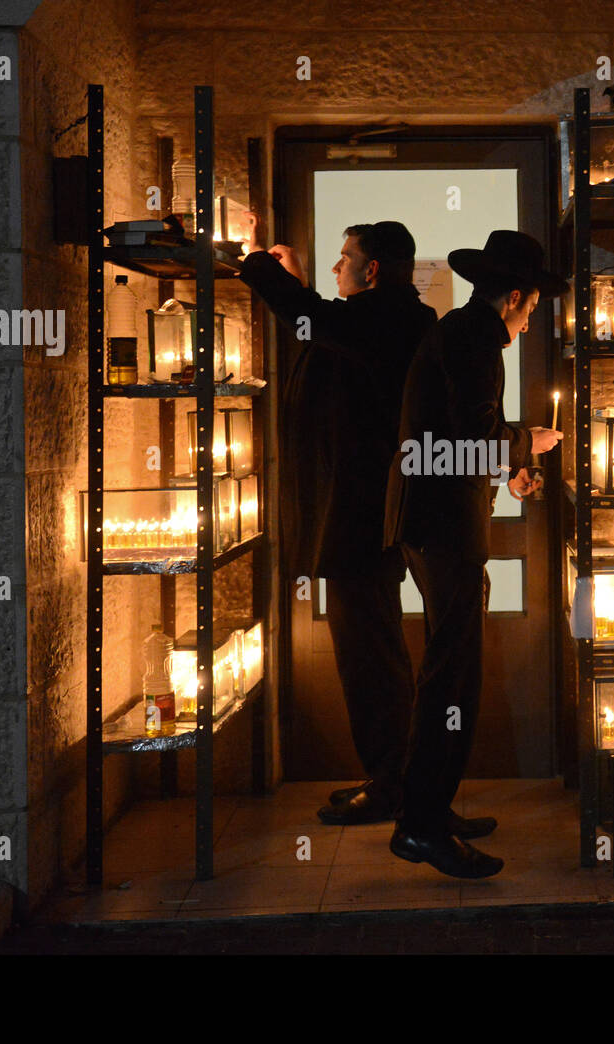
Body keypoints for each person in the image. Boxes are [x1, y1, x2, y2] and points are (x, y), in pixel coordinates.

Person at [383, 230, 565, 878]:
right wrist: (529, 443)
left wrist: (505, 471)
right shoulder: (477, 338)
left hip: (434, 524)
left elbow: (459, 439)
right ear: (515, 297)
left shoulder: (464, 331)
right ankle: (421, 827)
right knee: (450, 679)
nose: (532, 315)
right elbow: (474, 432)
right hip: (442, 530)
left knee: (446, 675)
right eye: (533, 305)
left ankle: (429, 809)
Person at [237, 222, 431, 826]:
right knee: (371, 650)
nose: (335, 268)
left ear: (372, 270)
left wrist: (255, 263)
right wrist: (292, 281)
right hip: (356, 520)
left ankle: (393, 782)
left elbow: (308, 315)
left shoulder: (391, 319)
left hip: (362, 524)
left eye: (344, 258)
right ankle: (393, 777)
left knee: (368, 654)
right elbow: (315, 319)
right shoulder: (381, 318)